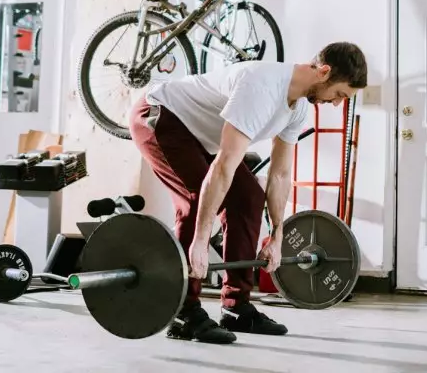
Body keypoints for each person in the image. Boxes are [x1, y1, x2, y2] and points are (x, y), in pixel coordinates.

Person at [129, 42, 368, 344]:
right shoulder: (262, 86)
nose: (336, 103)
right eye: (339, 95)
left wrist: (277, 235)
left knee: (248, 197)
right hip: (160, 116)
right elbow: (225, 165)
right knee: (194, 199)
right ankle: (183, 312)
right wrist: (202, 240)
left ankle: (236, 307)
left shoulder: (299, 108)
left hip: (201, 137)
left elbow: (280, 174)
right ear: (324, 72)